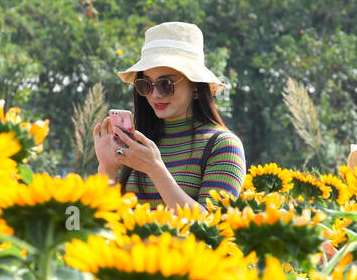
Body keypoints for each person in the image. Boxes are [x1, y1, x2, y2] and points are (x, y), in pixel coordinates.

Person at [93, 21, 245, 212]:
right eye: (145, 85)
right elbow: (100, 223)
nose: (155, 94)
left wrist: (155, 170)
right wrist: (108, 169)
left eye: (166, 84)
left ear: (196, 85)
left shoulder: (223, 145)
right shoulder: (134, 145)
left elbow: (213, 228)